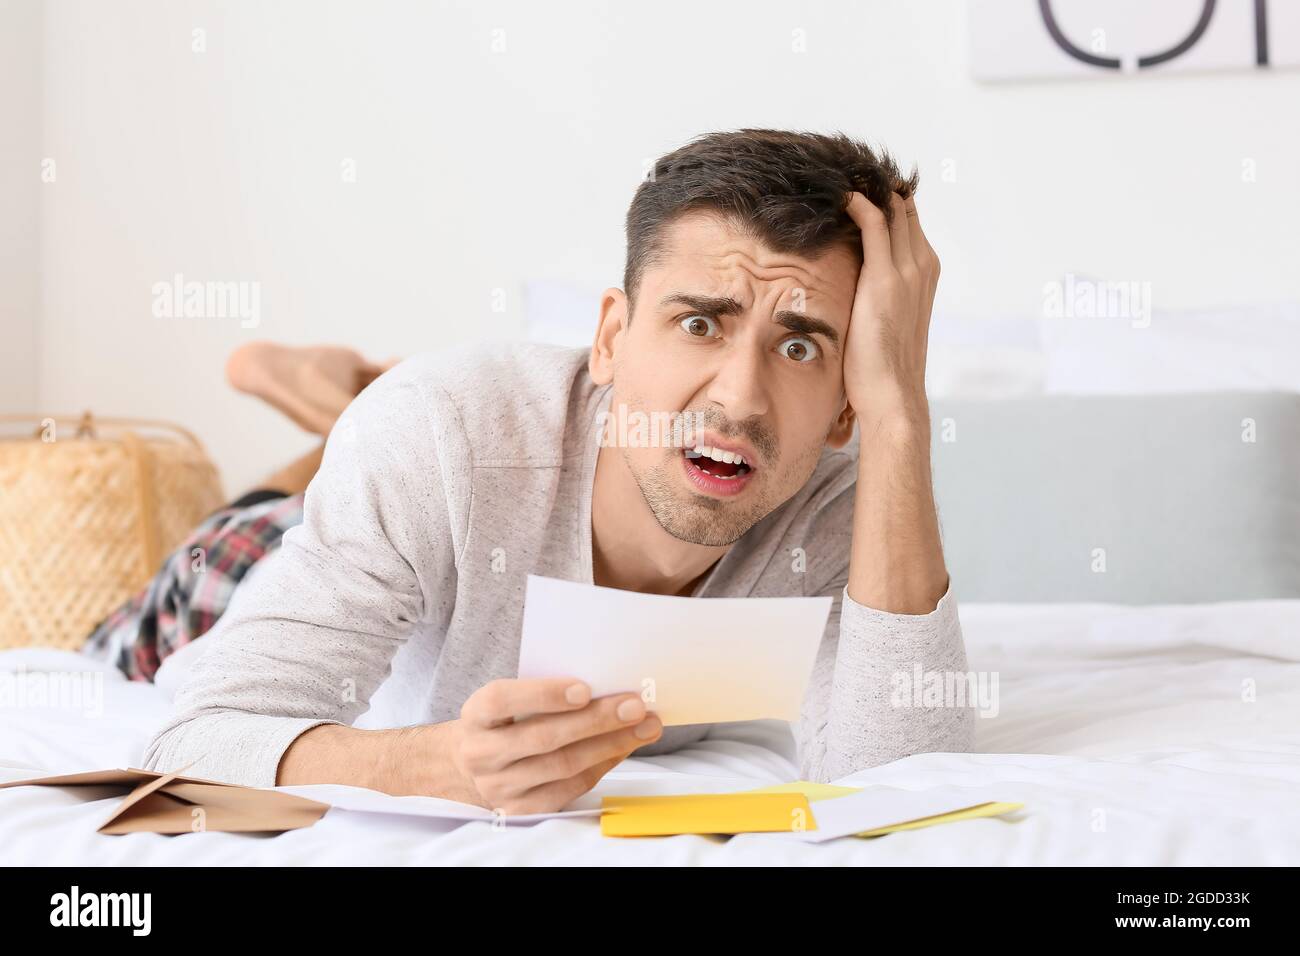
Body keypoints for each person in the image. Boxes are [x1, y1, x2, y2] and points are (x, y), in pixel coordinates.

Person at [138, 128, 976, 814]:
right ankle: (325, 408)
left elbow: (911, 788)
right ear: (608, 338)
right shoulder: (438, 434)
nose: (742, 399)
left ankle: (338, 410)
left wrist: (900, 415)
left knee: (438, 446)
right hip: (245, 562)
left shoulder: (849, 507)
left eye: (800, 346)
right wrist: (435, 768)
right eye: (699, 324)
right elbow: (191, 743)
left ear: (844, 406)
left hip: (479, 456)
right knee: (372, 465)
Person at [83, 343, 393, 681]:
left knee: (308, 513)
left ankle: (357, 421)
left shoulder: (108, 653)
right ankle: (363, 423)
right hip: (236, 578)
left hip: (223, 588)